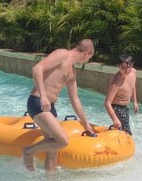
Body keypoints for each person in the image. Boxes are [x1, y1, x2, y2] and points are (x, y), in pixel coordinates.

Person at [23, 39, 96, 172]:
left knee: (53, 149)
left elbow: (75, 99)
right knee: (62, 140)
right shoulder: (63, 54)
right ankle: (29, 151)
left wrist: (85, 123)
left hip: (50, 106)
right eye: (89, 58)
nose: (87, 61)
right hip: (38, 101)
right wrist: (43, 96)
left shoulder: (72, 72)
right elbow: (37, 68)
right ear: (86, 53)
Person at [104, 54, 139, 135]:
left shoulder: (133, 72)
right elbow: (107, 103)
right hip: (116, 107)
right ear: (119, 66)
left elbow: (133, 86)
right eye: (124, 68)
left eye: (129, 68)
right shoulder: (116, 81)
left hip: (125, 107)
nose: (127, 71)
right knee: (126, 131)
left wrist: (135, 102)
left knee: (121, 128)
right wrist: (114, 119)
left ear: (131, 66)